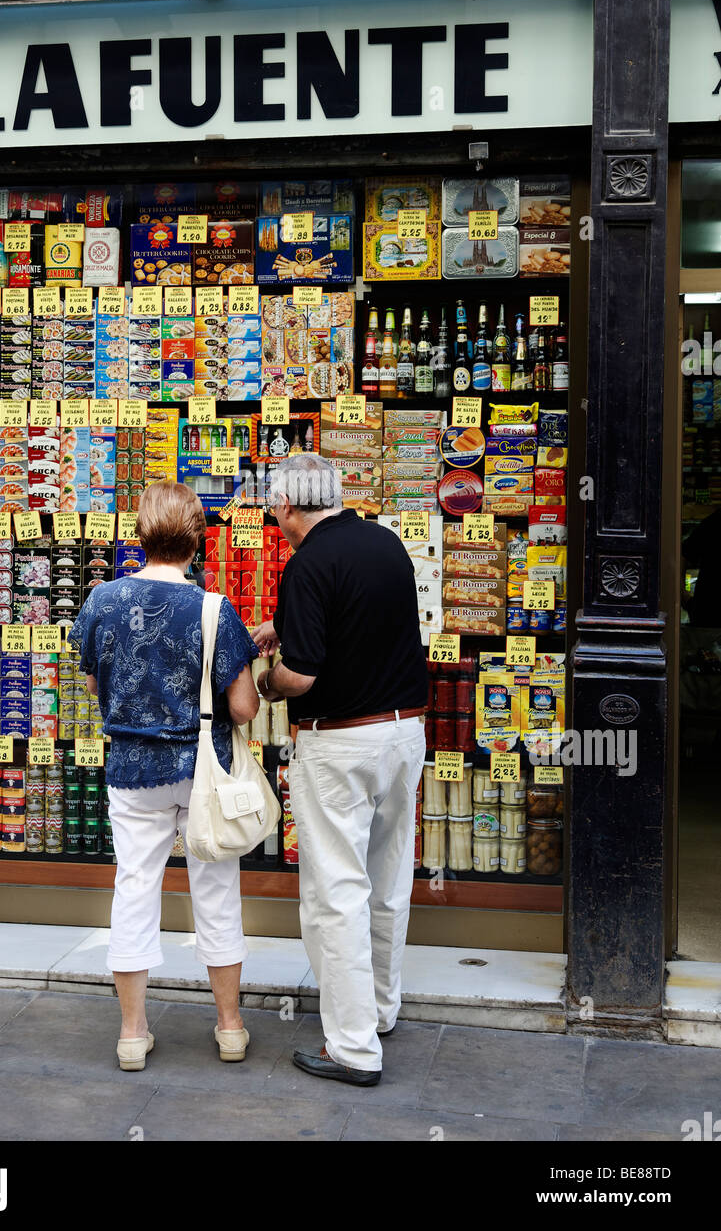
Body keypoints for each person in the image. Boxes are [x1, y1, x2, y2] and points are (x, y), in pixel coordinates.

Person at [69, 481, 261, 1071]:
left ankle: (132, 1032)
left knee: (134, 889)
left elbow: (97, 684)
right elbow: (245, 708)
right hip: (205, 770)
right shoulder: (213, 608)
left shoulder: (101, 601)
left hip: (132, 768)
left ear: (140, 533)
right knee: (217, 893)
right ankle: (229, 1027)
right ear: (198, 539)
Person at [253, 454, 428, 1087]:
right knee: (386, 879)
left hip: (341, 742)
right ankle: (380, 1010)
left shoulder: (306, 564)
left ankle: (352, 1047)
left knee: (336, 892)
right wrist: (286, 627)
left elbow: (303, 675)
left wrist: (268, 684)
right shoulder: (386, 544)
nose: (275, 519)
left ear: (288, 507)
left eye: (275, 508)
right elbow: (362, 625)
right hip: (404, 732)